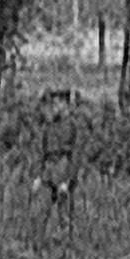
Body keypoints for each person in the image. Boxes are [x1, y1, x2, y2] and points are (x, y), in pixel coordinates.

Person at [32, 88, 80, 247]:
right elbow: (42, 152)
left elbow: (75, 155)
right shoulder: (49, 126)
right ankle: (37, 248)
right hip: (48, 170)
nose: (54, 106)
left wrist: (68, 180)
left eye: (58, 103)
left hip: (63, 168)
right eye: (53, 103)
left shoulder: (72, 126)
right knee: (41, 211)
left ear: (66, 104)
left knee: (64, 215)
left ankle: (65, 251)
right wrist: (38, 176)